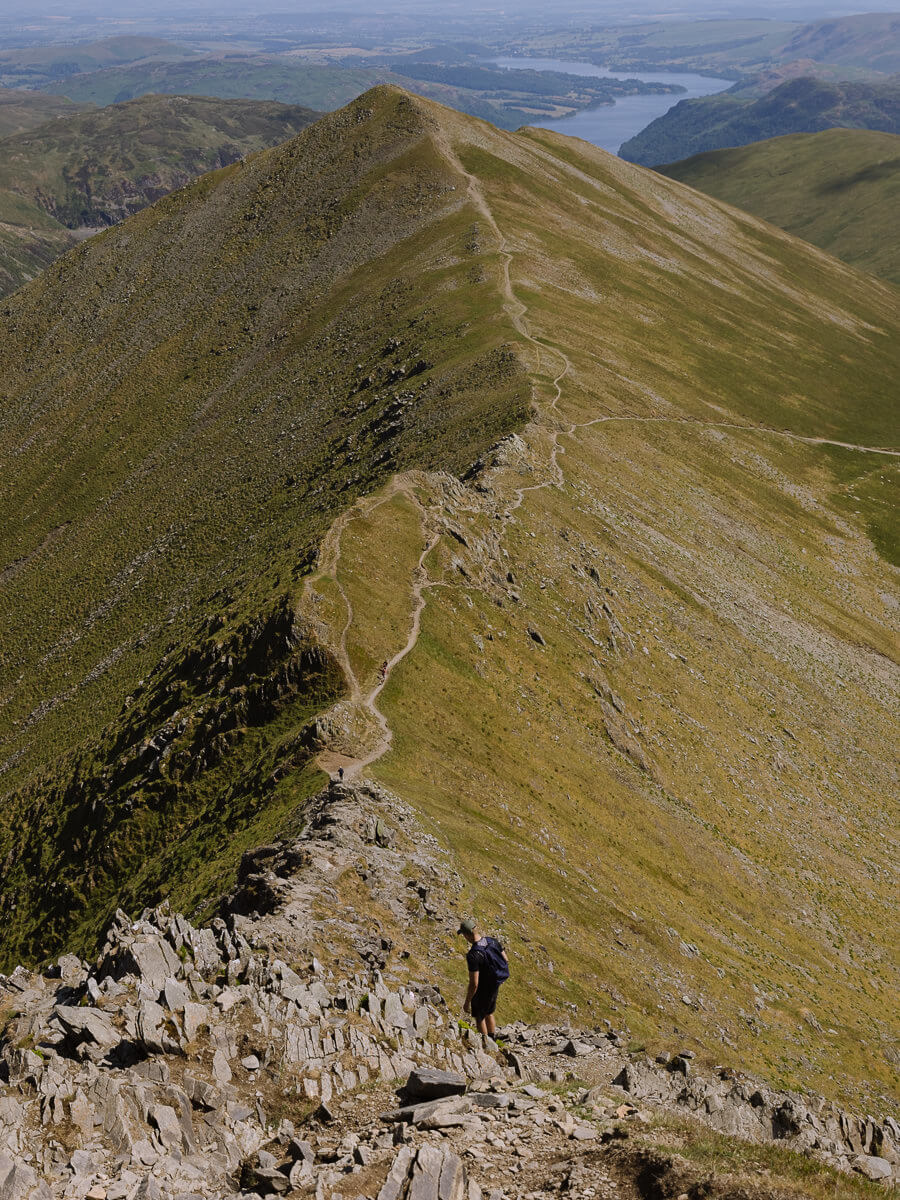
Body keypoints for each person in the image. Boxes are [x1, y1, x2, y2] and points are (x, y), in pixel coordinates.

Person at [458, 918, 509, 1038]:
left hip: (483, 989)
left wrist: (467, 1002)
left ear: (467, 935)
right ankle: (492, 1039)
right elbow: (506, 959)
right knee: (489, 1012)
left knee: (479, 1017)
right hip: (495, 985)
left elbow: (474, 983)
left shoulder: (473, 955)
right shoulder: (492, 941)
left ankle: (486, 1044)